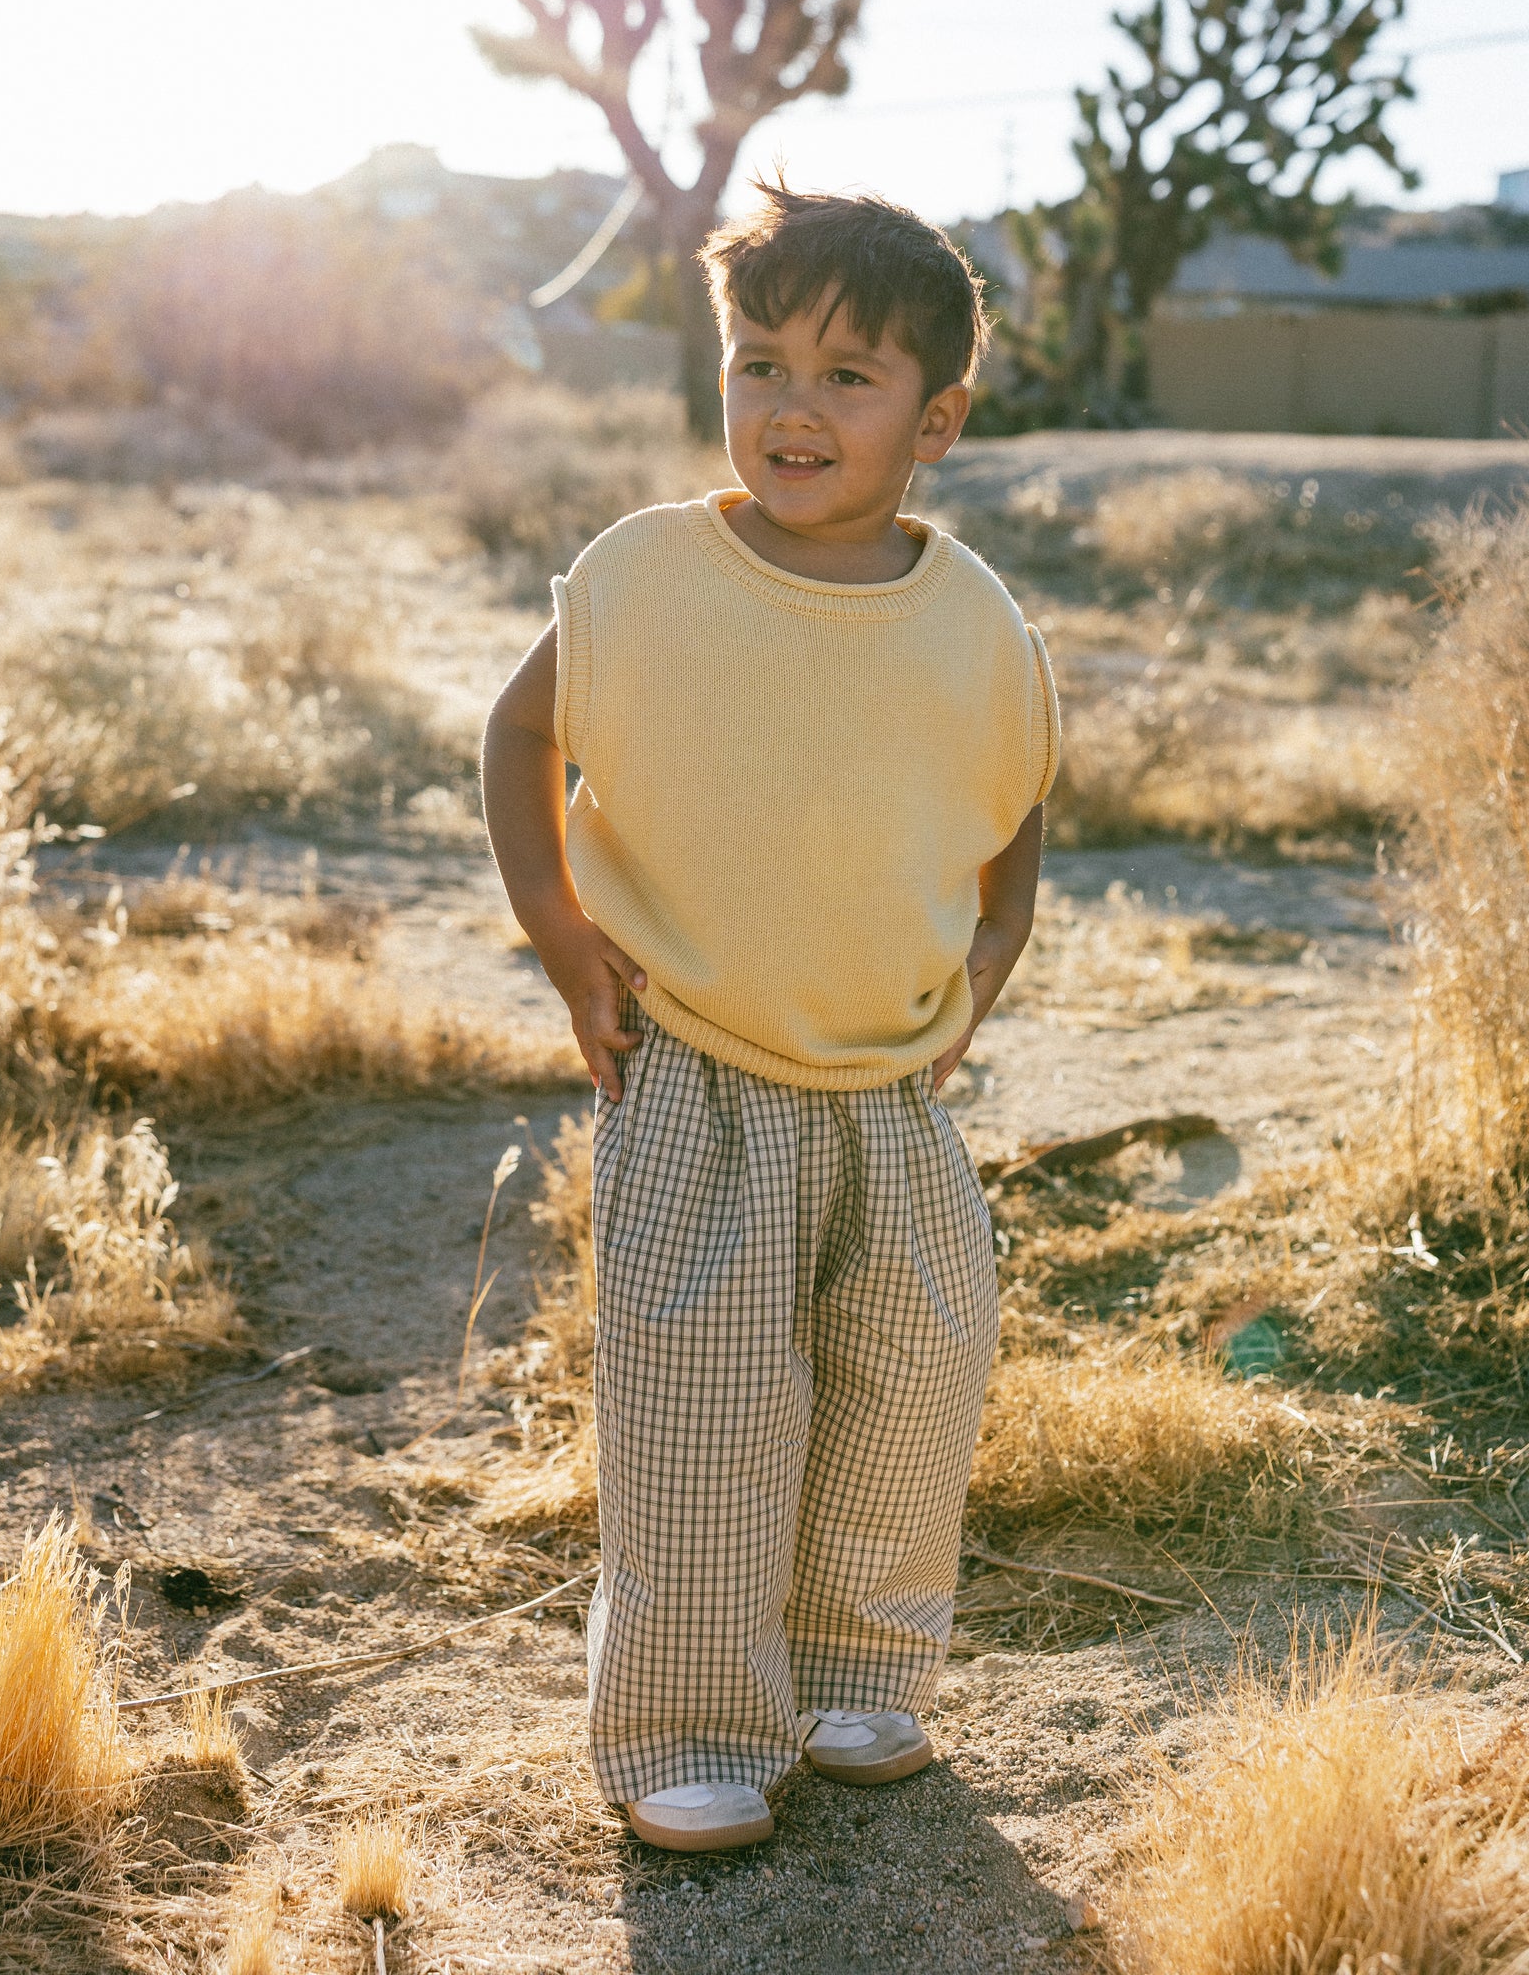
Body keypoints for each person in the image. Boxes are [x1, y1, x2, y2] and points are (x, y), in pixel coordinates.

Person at [481, 185, 1058, 1852]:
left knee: (908, 1385)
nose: (792, 408)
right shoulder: (648, 575)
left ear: (936, 419)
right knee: (706, 1417)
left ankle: (857, 1671)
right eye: (758, 363)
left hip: (890, 1088)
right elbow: (525, 737)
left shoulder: (975, 617)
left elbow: (1014, 803)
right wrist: (560, 936)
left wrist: (996, 949)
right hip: (704, 1075)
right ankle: (686, 1724)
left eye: (850, 376)